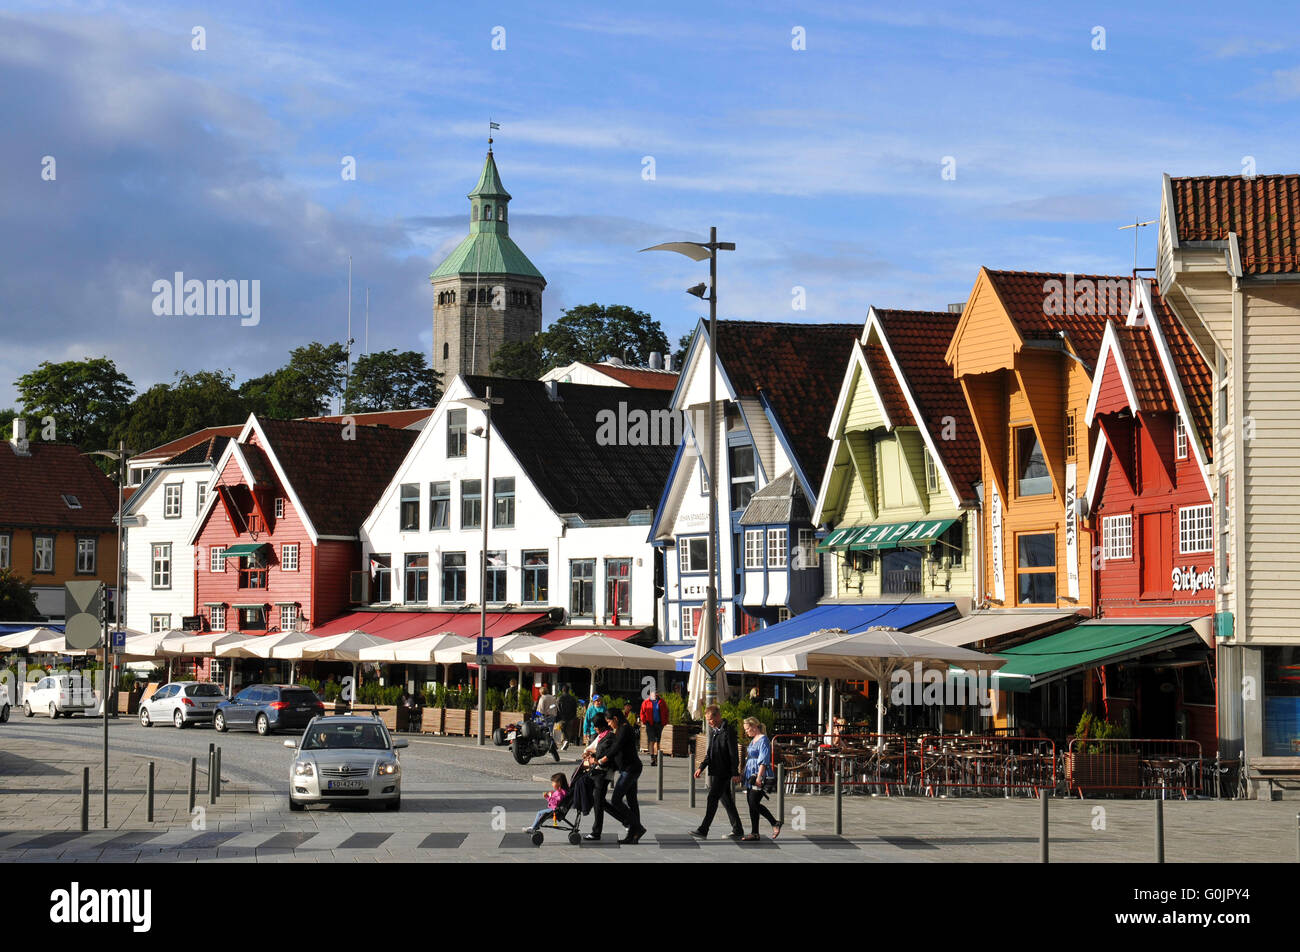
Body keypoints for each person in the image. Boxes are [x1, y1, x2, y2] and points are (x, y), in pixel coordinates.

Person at [691, 704, 743, 839]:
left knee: (712, 797)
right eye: (707, 720)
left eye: (710, 720)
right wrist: (701, 767)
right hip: (716, 770)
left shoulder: (728, 731)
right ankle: (738, 829)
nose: (709, 723)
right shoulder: (715, 731)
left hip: (724, 771)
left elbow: (733, 753)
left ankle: (704, 829)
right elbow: (710, 753)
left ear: (718, 717)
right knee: (727, 801)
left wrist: (735, 772)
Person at [594, 708, 645, 844]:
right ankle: (633, 834)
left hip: (630, 769)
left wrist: (603, 759)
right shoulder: (622, 728)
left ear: (615, 718)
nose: (609, 724)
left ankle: (637, 827)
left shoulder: (624, 728)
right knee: (632, 801)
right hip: (628, 769)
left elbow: (616, 747)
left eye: (609, 721)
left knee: (616, 800)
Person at [741, 716, 780, 840]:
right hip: (750, 775)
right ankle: (754, 832)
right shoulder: (753, 740)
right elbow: (749, 758)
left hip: (759, 774)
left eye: (747, 729)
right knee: (751, 803)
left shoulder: (763, 740)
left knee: (753, 802)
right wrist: (743, 772)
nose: (746, 732)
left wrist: (759, 777)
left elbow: (763, 760)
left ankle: (774, 822)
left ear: (754, 727)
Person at [581, 714, 615, 840]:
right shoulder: (601, 736)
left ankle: (596, 832)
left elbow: (605, 757)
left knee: (598, 802)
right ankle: (628, 821)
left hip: (603, 774)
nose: (595, 729)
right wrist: (586, 752)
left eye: (596, 727)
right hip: (597, 773)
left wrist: (594, 760)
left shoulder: (609, 737)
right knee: (600, 802)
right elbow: (590, 748)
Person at [639, 690, 669, 766]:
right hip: (650, 724)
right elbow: (642, 713)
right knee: (651, 741)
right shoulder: (646, 702)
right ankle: (652, 758)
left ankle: (656, 757)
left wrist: (664, 722)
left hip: (659, 724)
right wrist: (645, 721)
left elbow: (666, 712)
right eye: (653, 693)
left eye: (656, 693)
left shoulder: (662, 702)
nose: (655, 694)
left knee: (657, 741)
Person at [555, 686, 578, 751]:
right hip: (570, 717)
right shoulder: (572, 698)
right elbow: (575, 708)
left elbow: (557, 708)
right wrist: (574, 716)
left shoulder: (559, 698)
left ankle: (565, 741)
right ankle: (566, 742)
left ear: (562, 690)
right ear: (568, 690)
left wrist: (557, 717)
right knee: (568, 730)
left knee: (563, 730)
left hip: (562, 717)